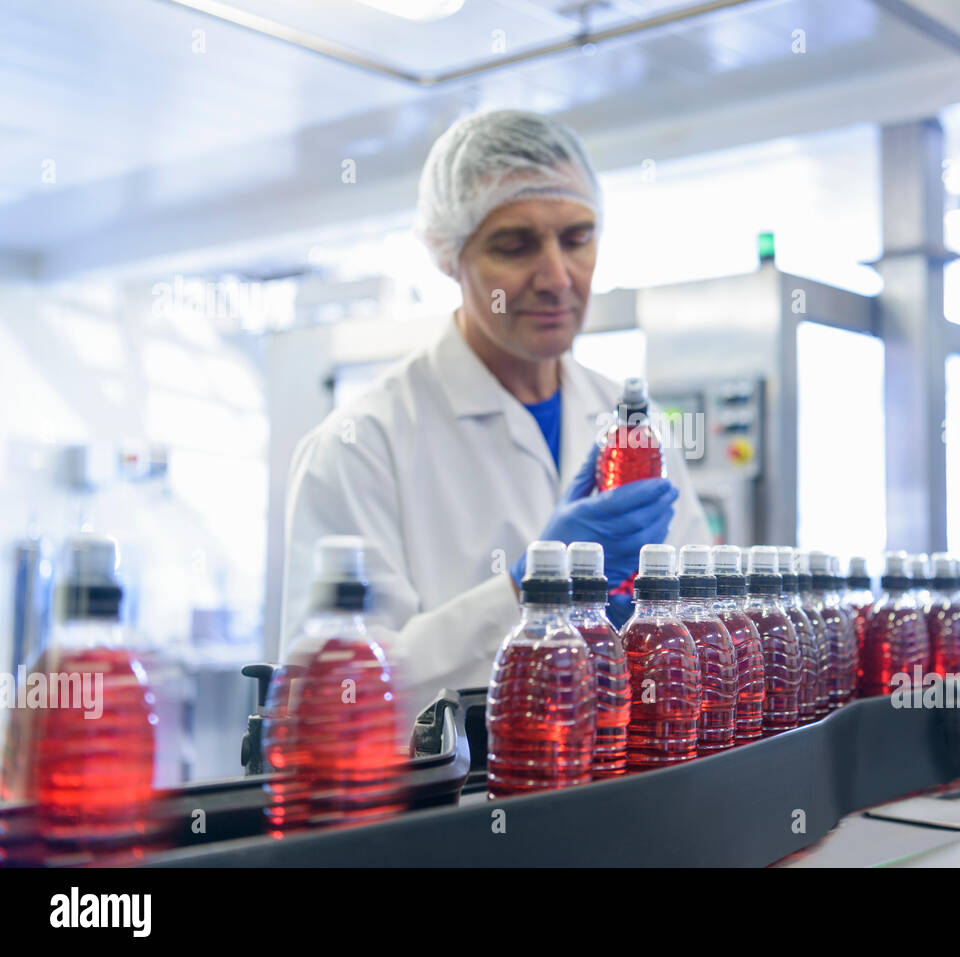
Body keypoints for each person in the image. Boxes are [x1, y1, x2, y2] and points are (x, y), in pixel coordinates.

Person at [280, 109, 711, 724]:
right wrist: (521, 598)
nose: (556, 278)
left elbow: (697, 629)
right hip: (452, 809)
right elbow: (324, 706)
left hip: (621, 780)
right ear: (451, 257)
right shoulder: (361, 445)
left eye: (577, 238)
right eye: (514, 245)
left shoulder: (633, 427)